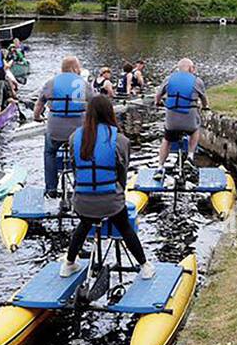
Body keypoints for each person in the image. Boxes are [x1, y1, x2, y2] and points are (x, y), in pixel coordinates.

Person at [60, 96, 153, 280]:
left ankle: (68, 264)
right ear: (110, 113)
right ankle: (144, 266)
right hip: (111, 201)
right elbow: (122, 172)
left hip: (82, 201)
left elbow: (76, 169)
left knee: (84, 224)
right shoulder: (120, 140)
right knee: (125, 226)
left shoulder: (74, 138)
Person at [33, 56, 92, 202]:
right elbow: (94, 104)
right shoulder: (83, 84)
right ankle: (81, 185)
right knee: (82, 153)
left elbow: (39, 104)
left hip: (56, 129)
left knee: (50, 152)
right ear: (74, 68)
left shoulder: (51, 83)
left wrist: (37, 117)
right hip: (78, 130)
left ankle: (51, 188)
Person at [154, 58, 208, 171]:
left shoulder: (169, 79)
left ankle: (160, 166)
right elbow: (204, 99)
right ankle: (190, 156)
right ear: (190, 68)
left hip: (172, 120)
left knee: (167, 139)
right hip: (189, 119)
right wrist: (205, 107)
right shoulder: (197, 81)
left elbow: (158, 95)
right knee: (195, 130)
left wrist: (157, 103)